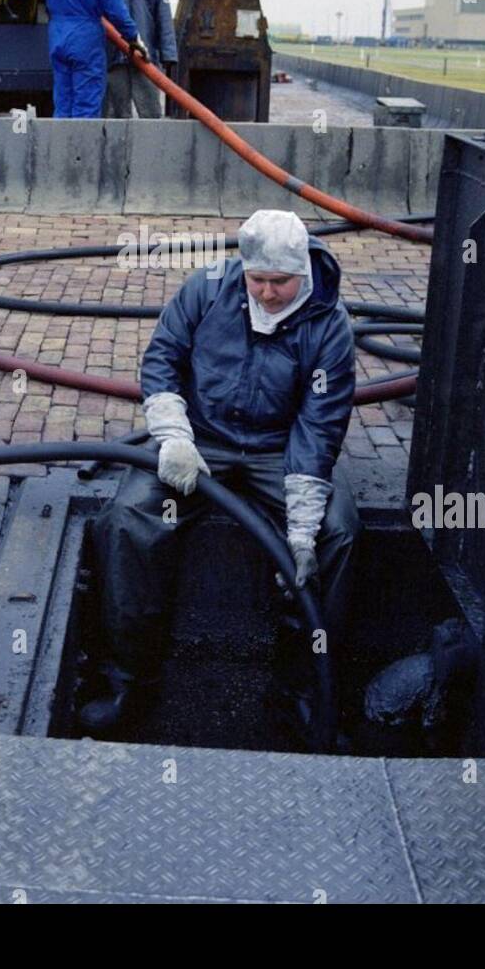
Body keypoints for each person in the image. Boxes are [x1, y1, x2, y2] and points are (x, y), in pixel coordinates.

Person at [81, 208, 361, 741]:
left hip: (278, 451)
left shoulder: (330, 324)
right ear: (243, 268)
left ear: (303, 270)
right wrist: (173, 436)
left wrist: (300, 532)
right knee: (127, 521)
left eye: (282, 282)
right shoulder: (206, 291)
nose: (270, 293)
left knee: (337, 535)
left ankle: (304, 691)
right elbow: (162, 359)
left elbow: (319, 427)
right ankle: (127, 680)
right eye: (259, 280)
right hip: (202, 439)